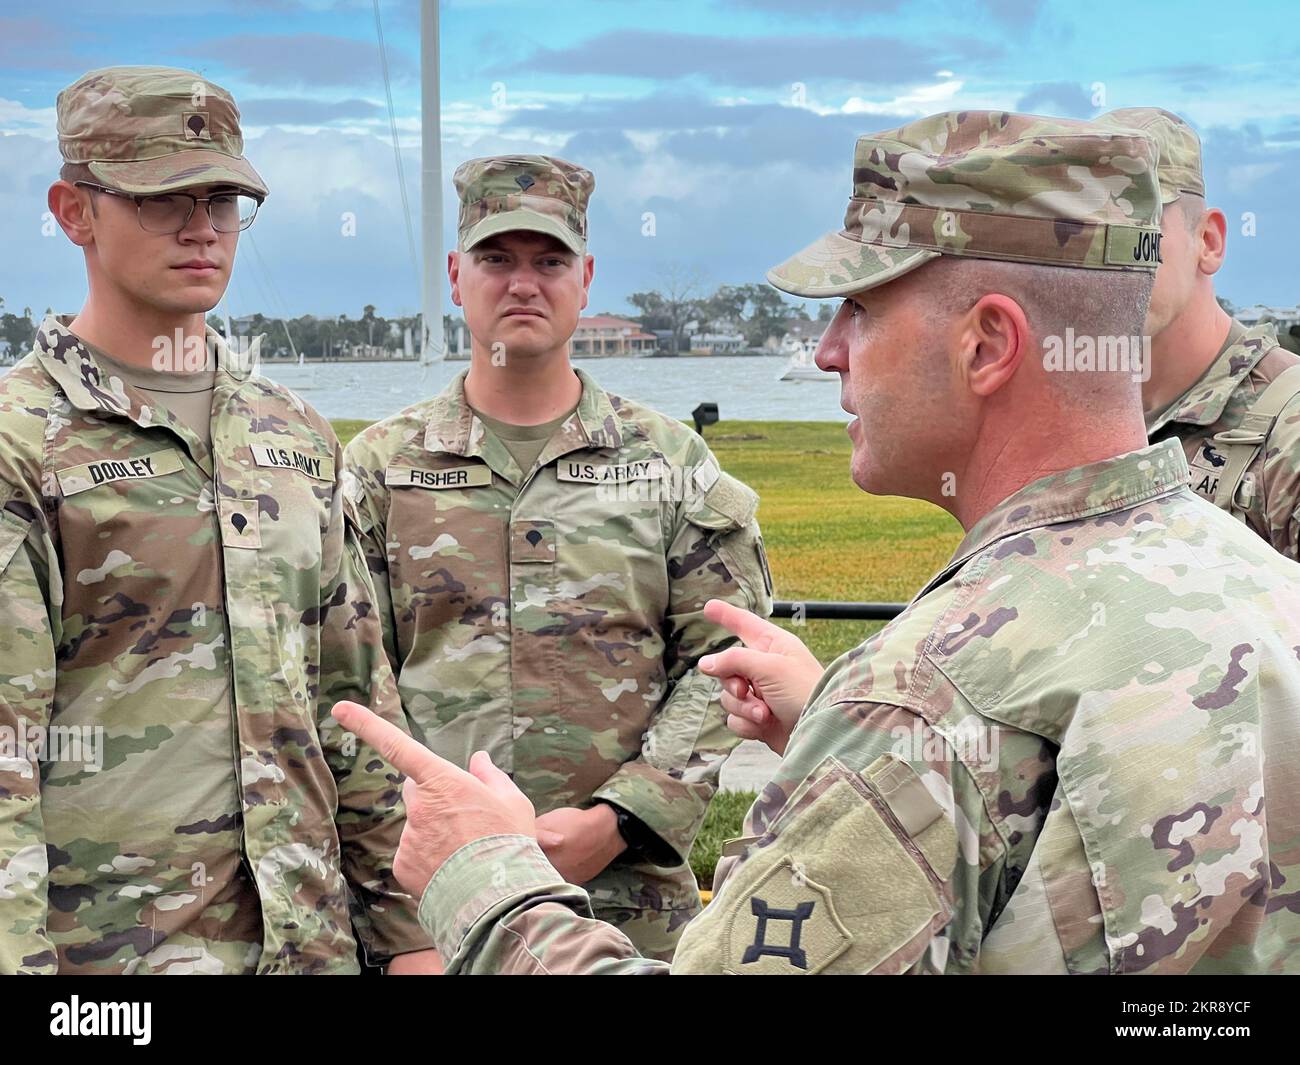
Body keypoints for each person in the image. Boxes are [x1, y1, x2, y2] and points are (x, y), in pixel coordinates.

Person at [335, 111, 1300, 974]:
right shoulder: (1260, 589)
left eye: (862, 308)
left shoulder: (934, 694)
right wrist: (842, 732)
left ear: (988, 345)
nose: (830, 349)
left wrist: (482, 882)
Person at [0, 65, 436, 973]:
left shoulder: (293, 432)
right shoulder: (22, 444)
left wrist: (408, 937)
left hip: (307, 949)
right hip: (109, 967)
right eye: (164, 199)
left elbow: (353, 703)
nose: (202, 227)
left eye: (223, 200)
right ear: (74, 210)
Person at [342, 154, 772, 961]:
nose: (523, 283)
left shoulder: (670, 464)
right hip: (431, 904)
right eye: (496, 259)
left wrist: (620, 819)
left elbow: (725, 662)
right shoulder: (378, 470)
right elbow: (349, 692)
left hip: (626, 906)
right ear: (454, 275)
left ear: (588, 278)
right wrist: (404, 929)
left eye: (550, 260)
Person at [1098, 107, 1300, 559]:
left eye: (1137, 229)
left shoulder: (1288, 432)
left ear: (1208, 241)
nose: (1112, 257)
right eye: (1091, 232)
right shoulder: (1074, 416)